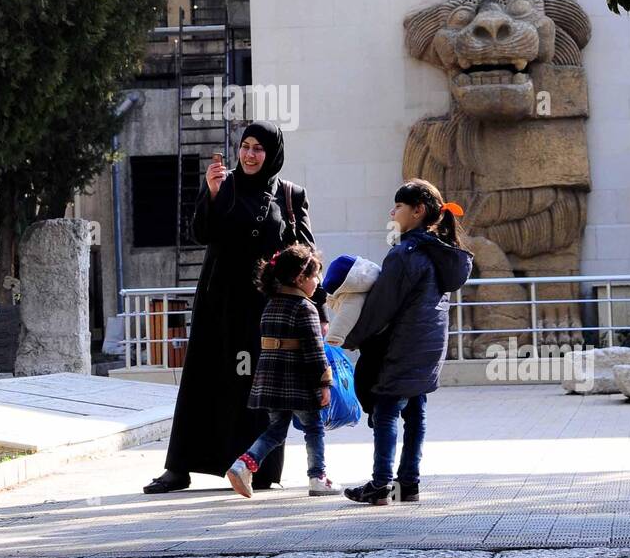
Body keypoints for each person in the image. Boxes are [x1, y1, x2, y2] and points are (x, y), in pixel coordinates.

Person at [144, 121, 322, 493]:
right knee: (203, 380)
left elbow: (305, 257)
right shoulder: (222, 186)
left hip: (264, 309)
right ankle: (180, 467)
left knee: (258, 385)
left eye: (258, 148)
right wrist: (211, 194)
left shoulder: (290, 195)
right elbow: (200, 233)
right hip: (218, 303)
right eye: (245, 146)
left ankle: (256, 468)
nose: (249, 155)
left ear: (272, 154)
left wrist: (317, 310)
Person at [340, 178, 473, 505]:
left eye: (398, 206)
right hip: (429, 348)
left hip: (402, 346)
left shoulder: (405, 254)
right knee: (415, 410)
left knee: (386, 409)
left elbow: (381, 306)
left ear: (418, 211)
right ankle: (408, 484)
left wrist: (351, 337)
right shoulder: (442, 252)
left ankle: (381, 485)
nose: (392, 212)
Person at [226, 243, 341, 498]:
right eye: (315, 276)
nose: (317, 282)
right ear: (300, 278)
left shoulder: (271, 304)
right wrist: (324, 383)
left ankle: (243, 464)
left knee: (276, 430)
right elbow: (314, 351)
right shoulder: (305, 308)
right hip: (299, 382)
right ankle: (318, 478)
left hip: (271, 379)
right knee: (314, 428)